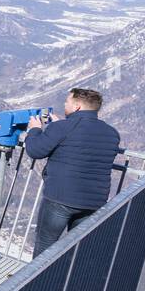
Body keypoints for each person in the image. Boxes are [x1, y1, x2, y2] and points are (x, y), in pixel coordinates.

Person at [24, 88, 121, 256]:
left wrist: (34, 130)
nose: (64, 105)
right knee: (76, 249)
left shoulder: (63, 128)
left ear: (76, 106)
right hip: (94, 202)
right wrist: (58, 127)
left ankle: (40, 282)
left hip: (60, 198)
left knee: (45, 247)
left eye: (67, 102)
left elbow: (35, 151)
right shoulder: (112, 133)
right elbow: (82, 145)